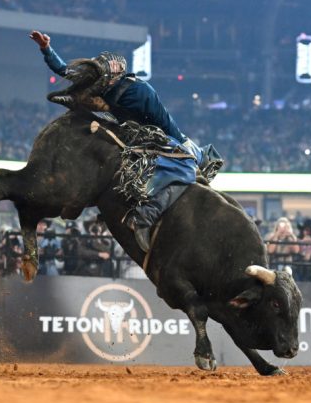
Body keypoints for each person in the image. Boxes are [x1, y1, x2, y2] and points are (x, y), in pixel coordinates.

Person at [30, 30, 204, 252]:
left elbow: (163, 120)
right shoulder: (132, 88)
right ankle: (145, 215)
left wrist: (46, 49)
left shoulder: (134, 89)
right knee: (187, 169)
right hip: (139, 136)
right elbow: (65, 69)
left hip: (136, 132)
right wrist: (46, 49)